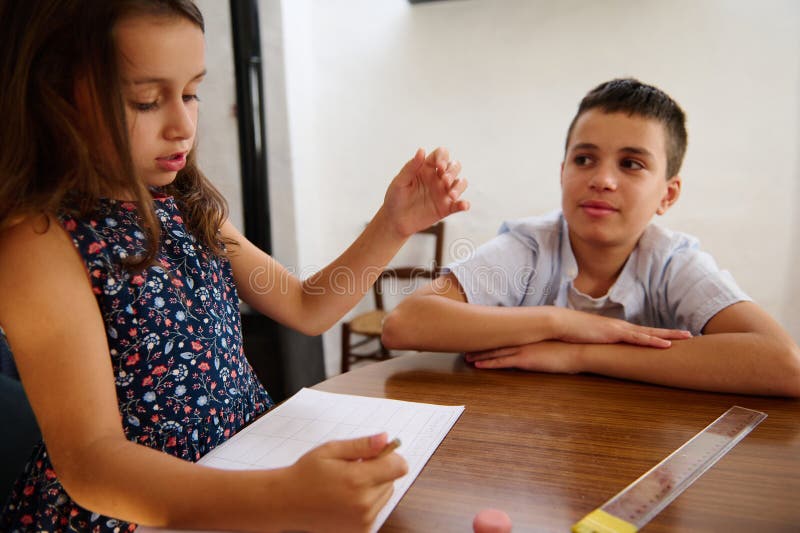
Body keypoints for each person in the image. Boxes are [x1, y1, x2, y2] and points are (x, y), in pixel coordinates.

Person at [0, 1, 469, 531]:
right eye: (146, 101)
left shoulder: (185, 208)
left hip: (240, 476)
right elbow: (92, 462)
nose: (182, 125)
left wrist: (393, 223)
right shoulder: (38, 245)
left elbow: (306, 305)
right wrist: (281, 496)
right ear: (54, 97)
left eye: (191, 93)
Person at [382, 78, 800, 397]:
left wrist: (579, 354)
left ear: (667, 195)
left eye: (631, 164)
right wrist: (562, 322)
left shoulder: (671, 262)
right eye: (584, 159)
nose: (602, 180)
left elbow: (785, 364)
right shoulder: (529, 247)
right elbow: (405, 325)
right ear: (562, 172)